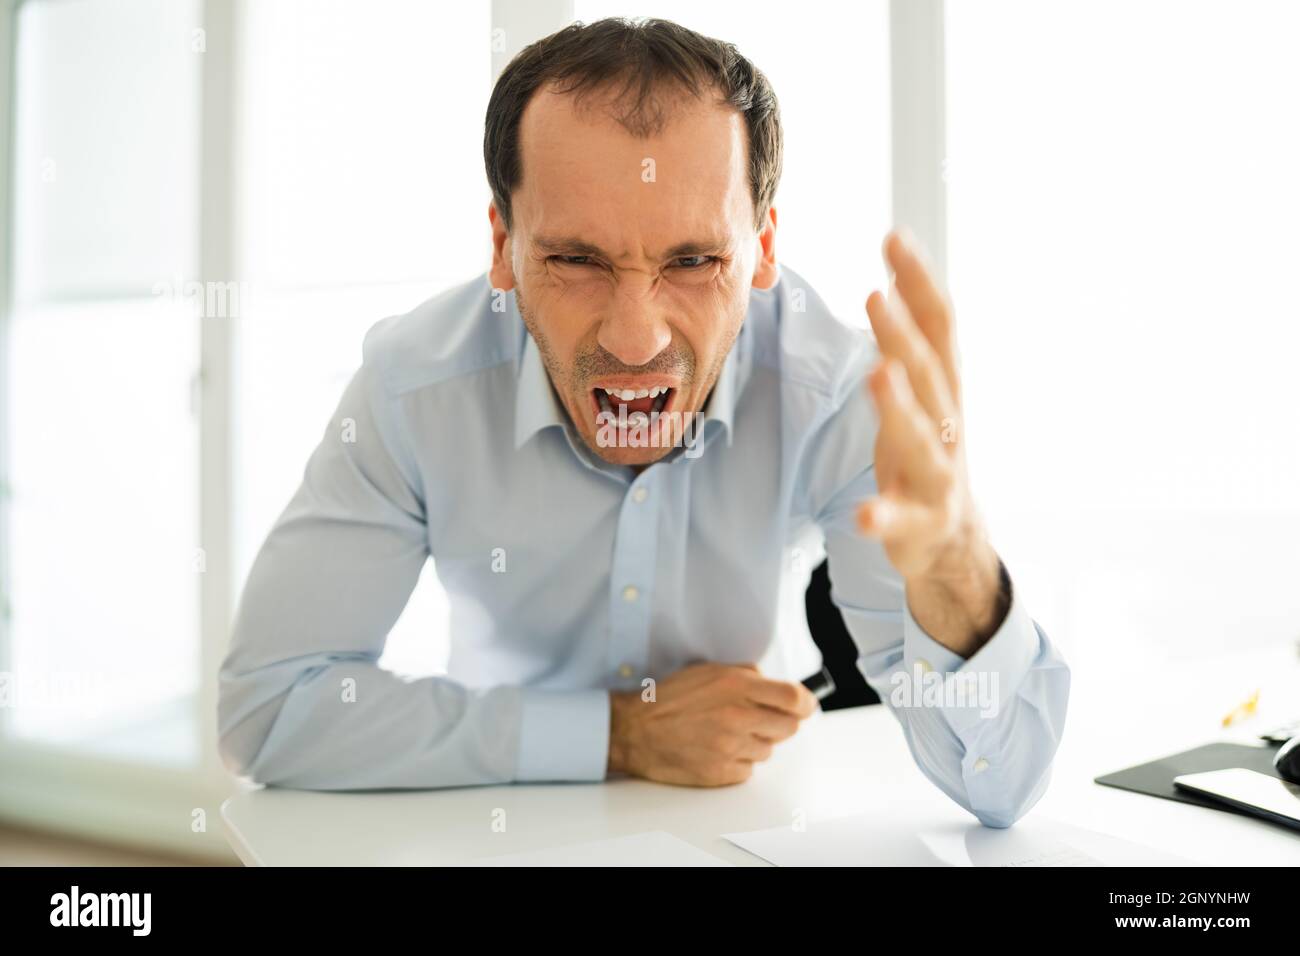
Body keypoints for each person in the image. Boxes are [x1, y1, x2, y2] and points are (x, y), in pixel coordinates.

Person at [218, 17, 1069, 828]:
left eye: (693, 261)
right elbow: (270, 709)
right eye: (576, 260)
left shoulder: (838, 391)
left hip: (746, 812)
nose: (636, 339)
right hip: (485, 823)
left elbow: (1002, 786)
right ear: (502, 244)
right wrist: (619, 734)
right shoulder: (414, 388)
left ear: (763, 248)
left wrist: (960, 576)